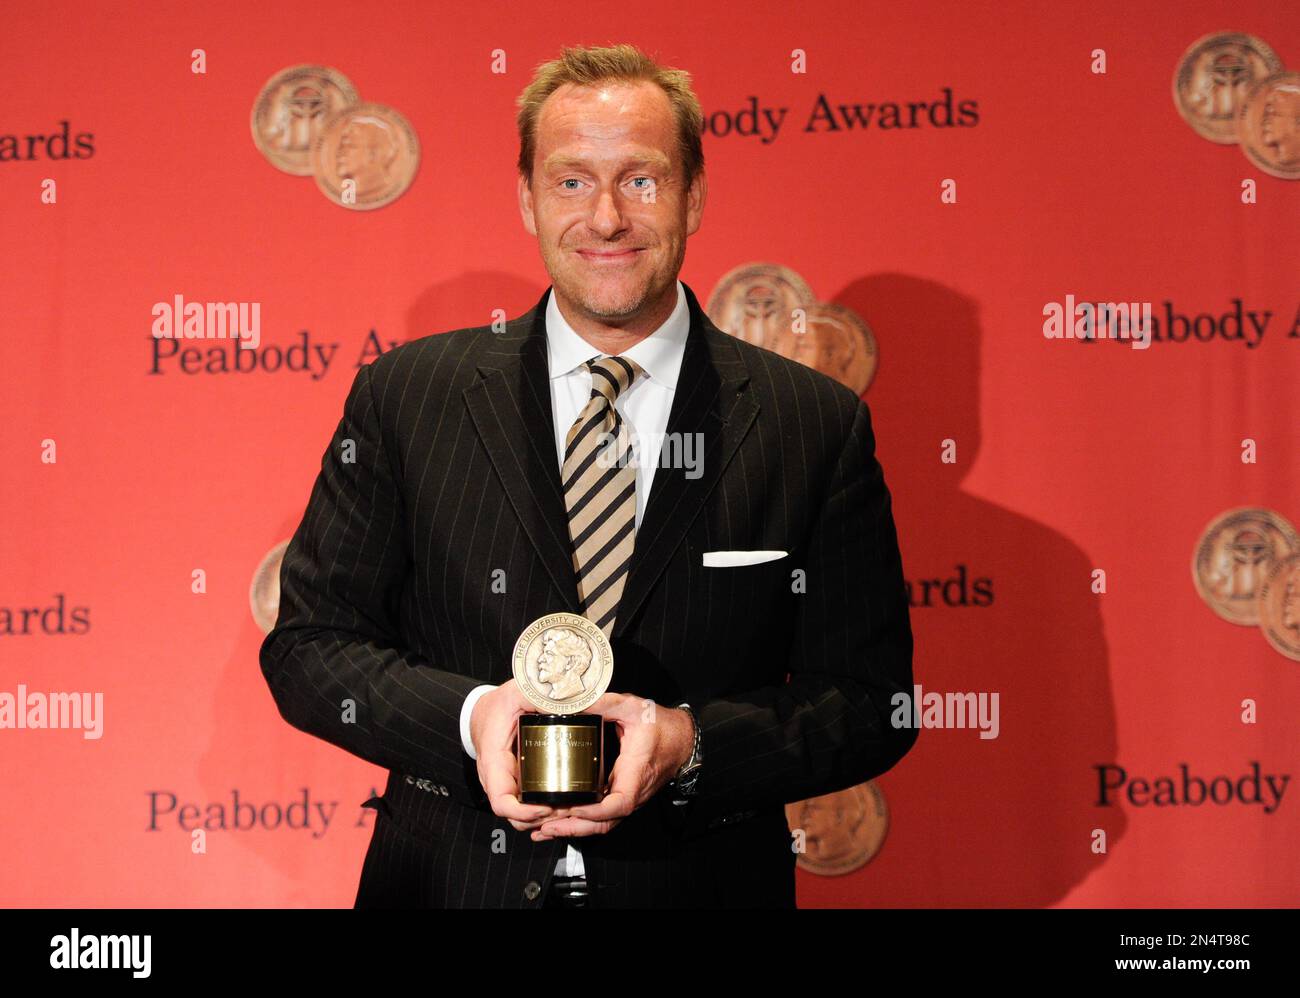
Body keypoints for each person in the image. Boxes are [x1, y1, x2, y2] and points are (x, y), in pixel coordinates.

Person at [259, 42, 916, 909]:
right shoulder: (406, 396)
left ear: (695, 194)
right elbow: (310, 649)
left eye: (640, 179)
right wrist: (472, 719)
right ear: (527, 198)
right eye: (571, 182)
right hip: (447, 886)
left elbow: (871, 705)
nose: (606, 218)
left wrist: (690, 744)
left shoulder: (812, 424)